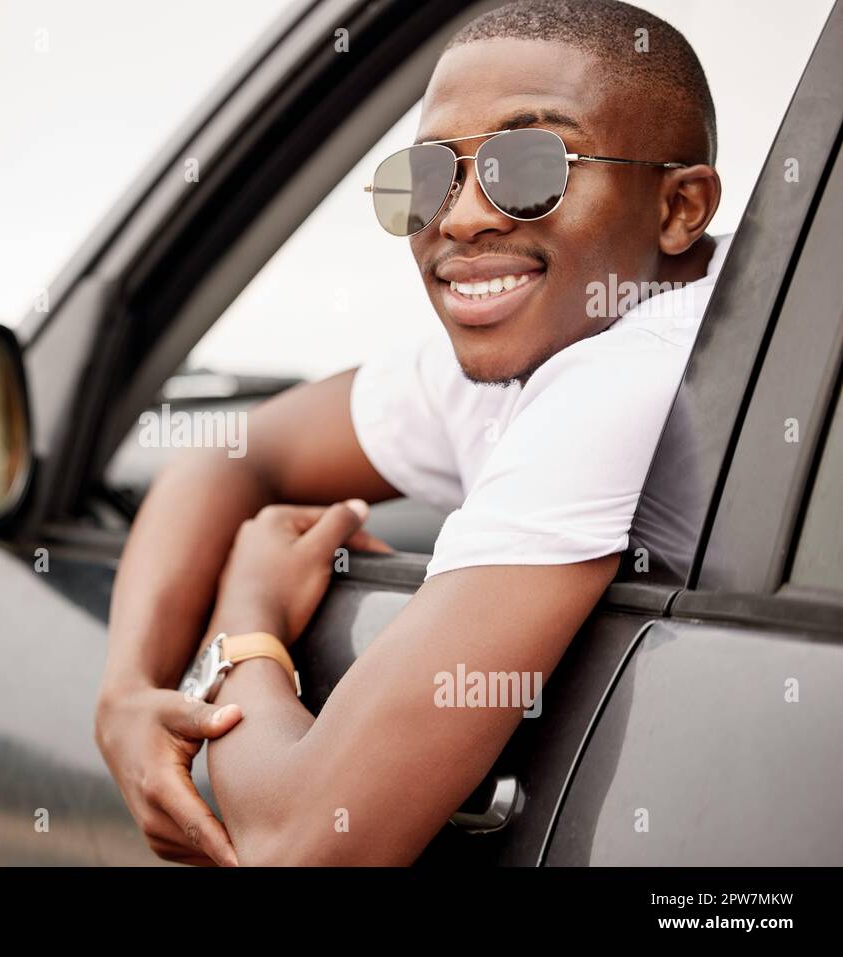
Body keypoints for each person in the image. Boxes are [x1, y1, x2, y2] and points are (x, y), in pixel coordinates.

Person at [95, 0, 726, 865]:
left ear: (680, 207)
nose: (461, 219)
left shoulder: (632, 367)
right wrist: (125, 696)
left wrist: (248, 613)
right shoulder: (561, 323)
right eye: (427, 176)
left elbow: (300, 842)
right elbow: (235, 453)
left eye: (531, 164)